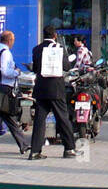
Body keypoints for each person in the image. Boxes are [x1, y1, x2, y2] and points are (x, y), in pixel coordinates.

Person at [29, 26, 79, 159]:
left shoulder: (37, 49)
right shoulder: (59, 49)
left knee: (39, 120)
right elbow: (67, 67)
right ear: (55, 35)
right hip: (56, 88)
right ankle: (69, 149)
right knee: (62, 118)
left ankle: (35, 151)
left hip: (40, 88)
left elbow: (34, 68)